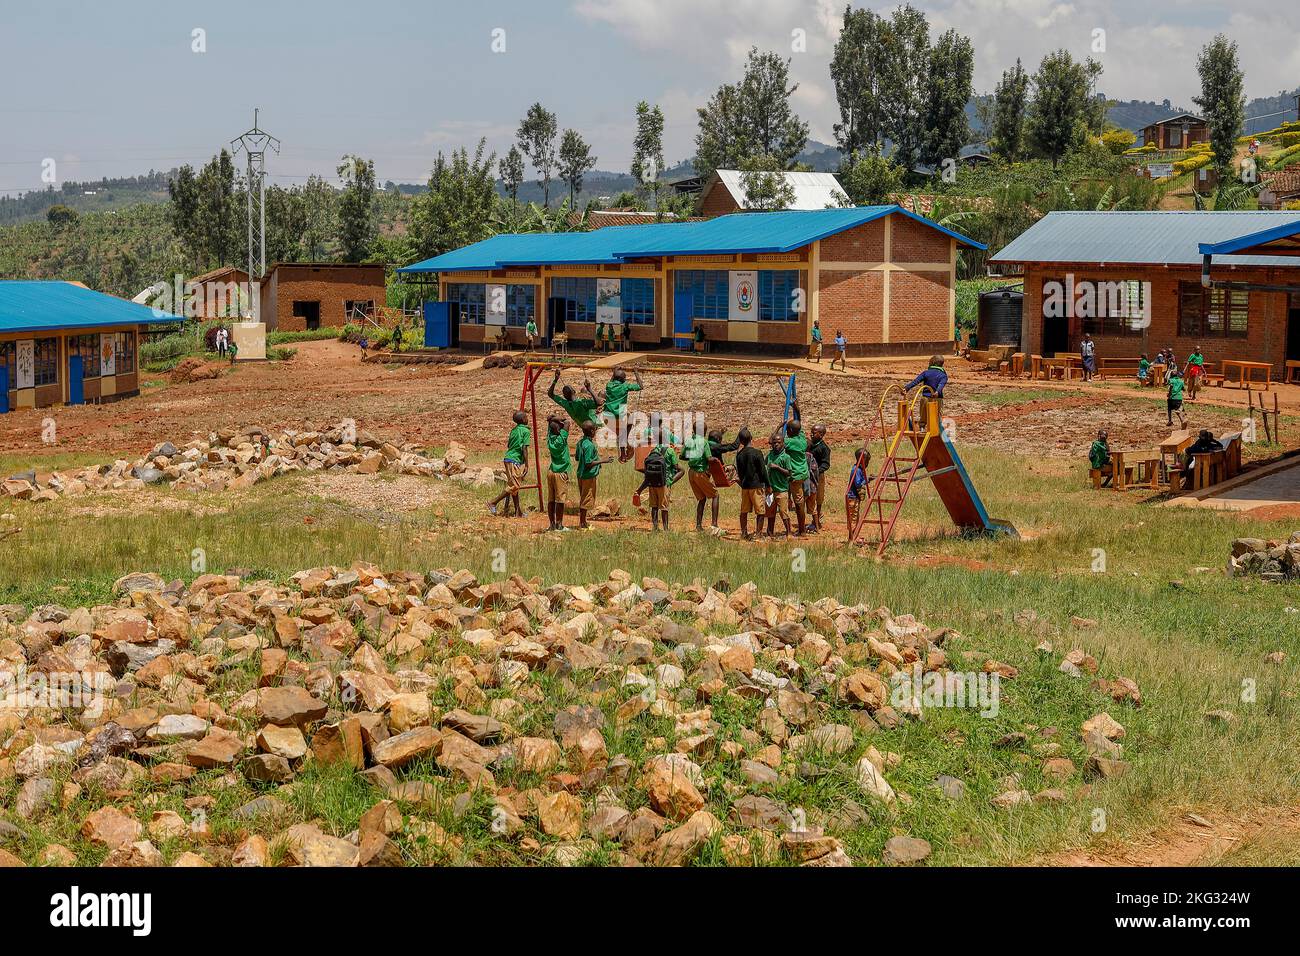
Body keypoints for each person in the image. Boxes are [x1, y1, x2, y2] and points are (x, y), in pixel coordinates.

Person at [636, 426, 681, 532]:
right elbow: (676, 467)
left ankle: (655, 527)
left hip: (652, 482)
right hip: (664, 482)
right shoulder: (669, 451)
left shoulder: (653, 451)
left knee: (654, 506)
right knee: (664, 507)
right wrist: (671, 480)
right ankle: (666, 529)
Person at [489, 410, 530, 517]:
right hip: (514, 460)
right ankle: (493, 502)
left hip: (508, 458)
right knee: (515, 485)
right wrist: (526, 464)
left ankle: (518, 512)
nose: (527, 418)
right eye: (526, 417)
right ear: (523, 420)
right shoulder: (526, 431)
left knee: (513, 485)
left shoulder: (514, 430)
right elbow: (524, 448)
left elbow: (509, 445)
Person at [575, 420, 613, 529]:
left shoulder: (580, 443)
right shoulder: (589, 445)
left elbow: (577, 457)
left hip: (581, 474)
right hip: (588, 475)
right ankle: (582, 523)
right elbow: (588, 463)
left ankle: (583, 522)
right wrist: (603, 461)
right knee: (586, 498)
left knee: (584, 497)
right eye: (595, 430)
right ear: (592, 431)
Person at [779, 401, 809, 536]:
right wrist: (797, 410)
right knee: (798, 500)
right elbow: (798, 425)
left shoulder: (789, 442)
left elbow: (775, 440)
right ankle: (799, 528)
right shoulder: (802, 438)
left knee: (798, 503)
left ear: (789, 431)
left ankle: (801, 530)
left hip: (794, 475)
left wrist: (780, 426)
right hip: (801, 473)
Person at [603, 367, 642, 462]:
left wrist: (614, 372)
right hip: (619, 417)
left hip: (607, 417)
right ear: (622, 380)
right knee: (626, 427)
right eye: (625, 378)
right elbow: (640, 386)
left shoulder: (609, 385)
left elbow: (612, 379)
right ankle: (624, 453)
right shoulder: (625, 386)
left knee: (622, 431)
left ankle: (624, 452)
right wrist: (636, 372)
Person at [734, 427, 766, 541]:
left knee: (744, 511)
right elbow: (763, 471)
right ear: (751, 438)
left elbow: (740, 472)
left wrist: (742, 482)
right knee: (760, 511)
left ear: (741, 442)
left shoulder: (739, 454)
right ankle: (758, 534)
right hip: (756, 485)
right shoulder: (757, 453)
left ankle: (744, 533)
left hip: (745, 486)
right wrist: (767, 484)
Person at [764, 433, 795, 538]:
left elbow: (789, 473)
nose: (776, 444)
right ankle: (770, 533)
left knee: (783, 512)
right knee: (770, 513)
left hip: (782, 490)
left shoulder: (786, 457)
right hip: (770, 490)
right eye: (774, 443)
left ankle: (789, 532)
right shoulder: (770, 455)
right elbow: (764, 467)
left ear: (783, 444)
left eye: (779, 442)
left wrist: (777, 467)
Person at [545, 414, 572, 532]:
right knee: (560, 500)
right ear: (558, 430)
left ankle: (551, 524)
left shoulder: (550, 438)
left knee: (551, 499)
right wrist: (557, 419)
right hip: (561, 472)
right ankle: (559, 525)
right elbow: (567, 422)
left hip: (551, 471)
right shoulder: (561, 439)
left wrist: (552, 420)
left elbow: (549, 424)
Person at [905, 355, 948, 422]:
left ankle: (922, 426)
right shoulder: (943, 375)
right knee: (937, 417)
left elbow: (916, 381)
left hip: (925, 398)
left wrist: (907, 388)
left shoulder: (926, 373)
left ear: (933, 362)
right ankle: (937, 429)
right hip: (937, 398)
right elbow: (941, 384)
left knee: (923, 415)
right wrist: (937, 392)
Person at [808, 424, 831, 534]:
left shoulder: (824, 448)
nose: (811, 433)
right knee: (811, 496)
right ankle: (814, 518)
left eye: (814, 432)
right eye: (811, 431)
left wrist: (816, 471)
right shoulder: (810, 445)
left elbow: (826, 464)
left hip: (818, 476)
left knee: (819, 497)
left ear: (821, 435)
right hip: (808, 475)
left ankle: (816, 520)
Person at [845, 448, 870, 534]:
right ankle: (852, 538)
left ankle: (853, 536)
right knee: (853, 519)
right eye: (867, 461)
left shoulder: (859, 469)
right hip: (852, 498)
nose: (867, 464)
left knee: (855, 518)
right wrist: (867, 480)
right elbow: (858, 484)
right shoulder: (856, 470)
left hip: (854, 498)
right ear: (862, 459)